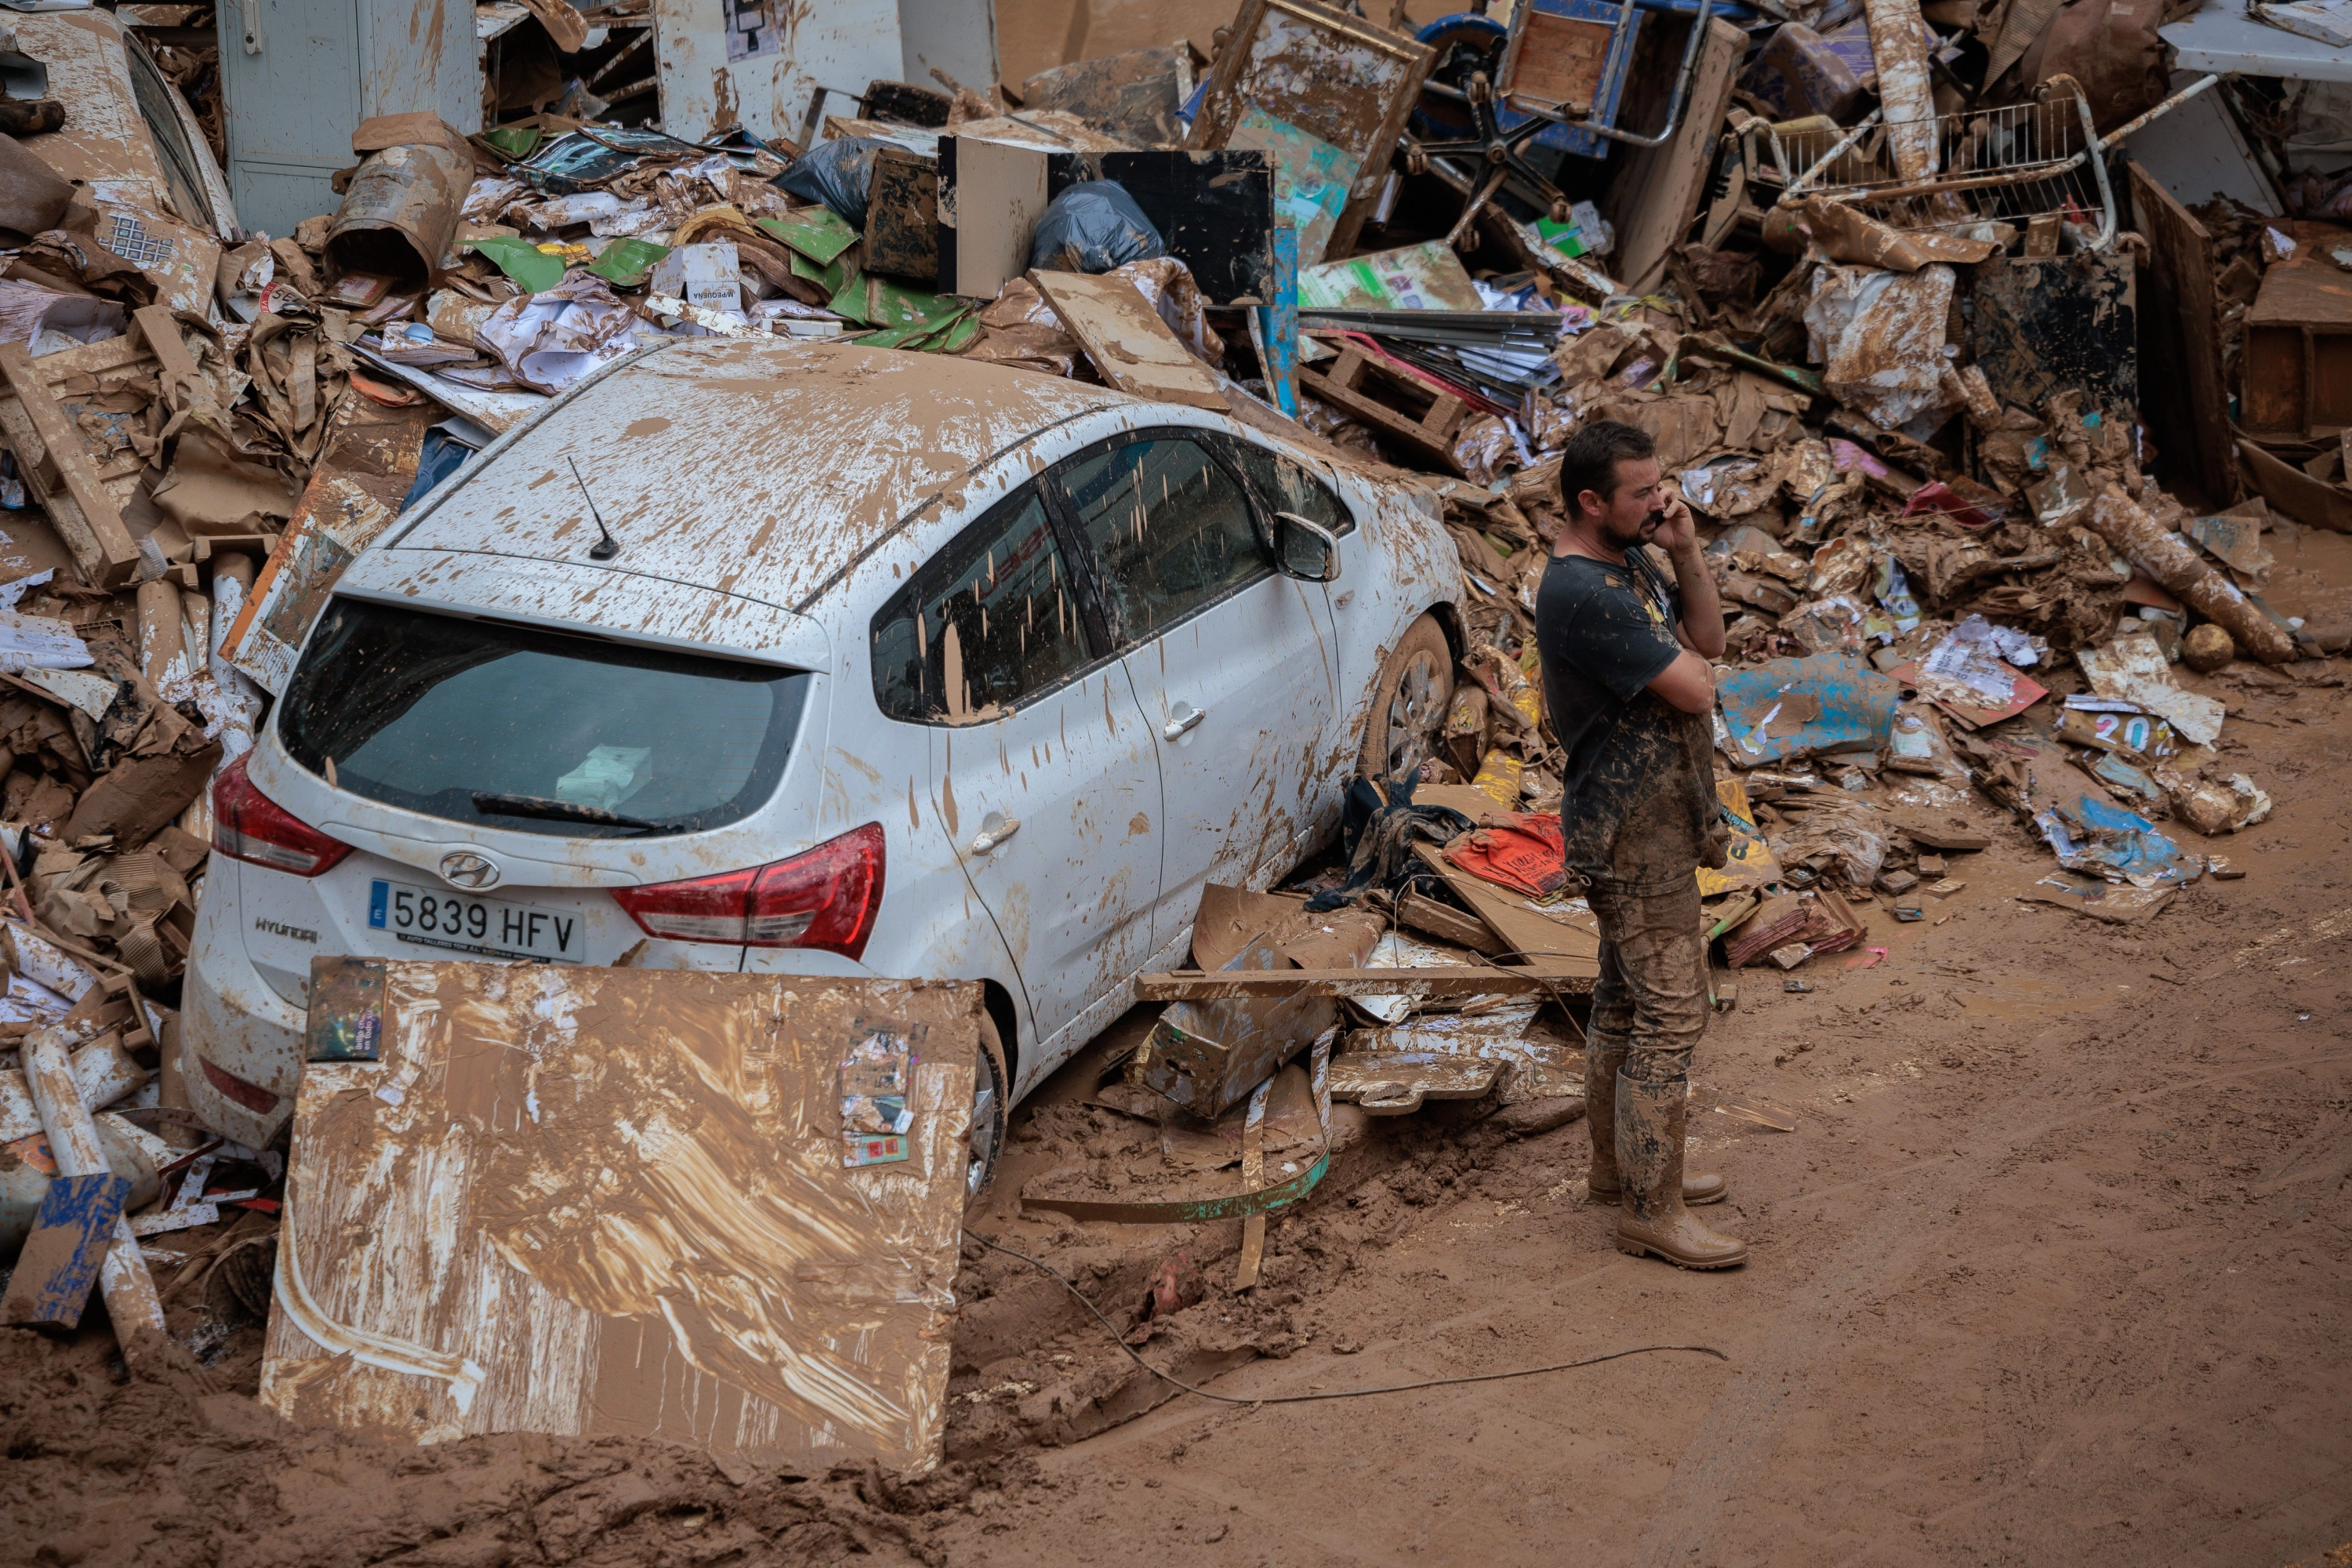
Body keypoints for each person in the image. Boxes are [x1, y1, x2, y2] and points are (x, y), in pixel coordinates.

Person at [1534, 420, 1746, 1270]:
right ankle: (1651, 1208)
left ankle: (1619, 1169)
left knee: (1624, 1002)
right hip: (1628, 833)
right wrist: (1696, 674)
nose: (1660, 501)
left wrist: (1685, 548)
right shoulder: (1585, 590)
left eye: (1662, 485)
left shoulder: (1629, 560)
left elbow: (1711, 638)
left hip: (1649, 820)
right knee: (1671, 1012)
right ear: (1592, 502)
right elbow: (1696, 684)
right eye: (1642, 492)